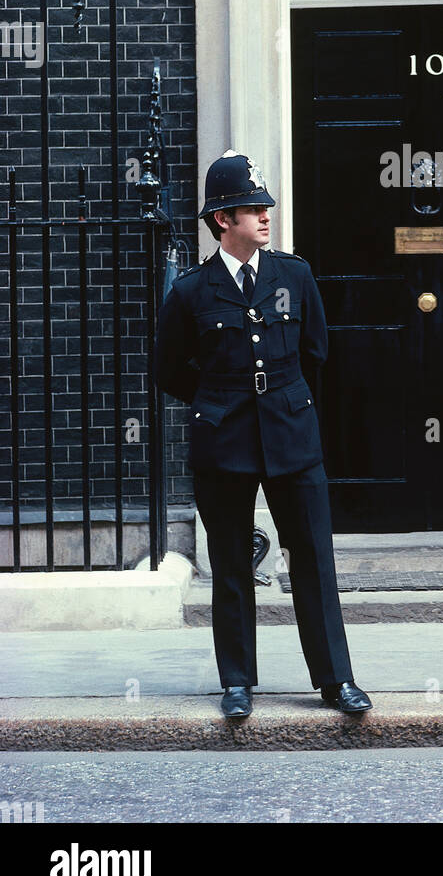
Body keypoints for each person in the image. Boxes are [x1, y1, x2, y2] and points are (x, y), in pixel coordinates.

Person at [153, 149, 372, 719]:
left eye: (265, 206)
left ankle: (335, 680)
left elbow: (316, 352)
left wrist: (285, 402)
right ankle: (237, 682)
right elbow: (170, 370)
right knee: (230, 564)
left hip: (291, 435)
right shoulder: (192, 292)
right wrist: (220, 400)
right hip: (224, 440)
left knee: (314, 561)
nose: (265, 216)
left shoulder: (293, 275)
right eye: (252, 208)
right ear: (223, 220)